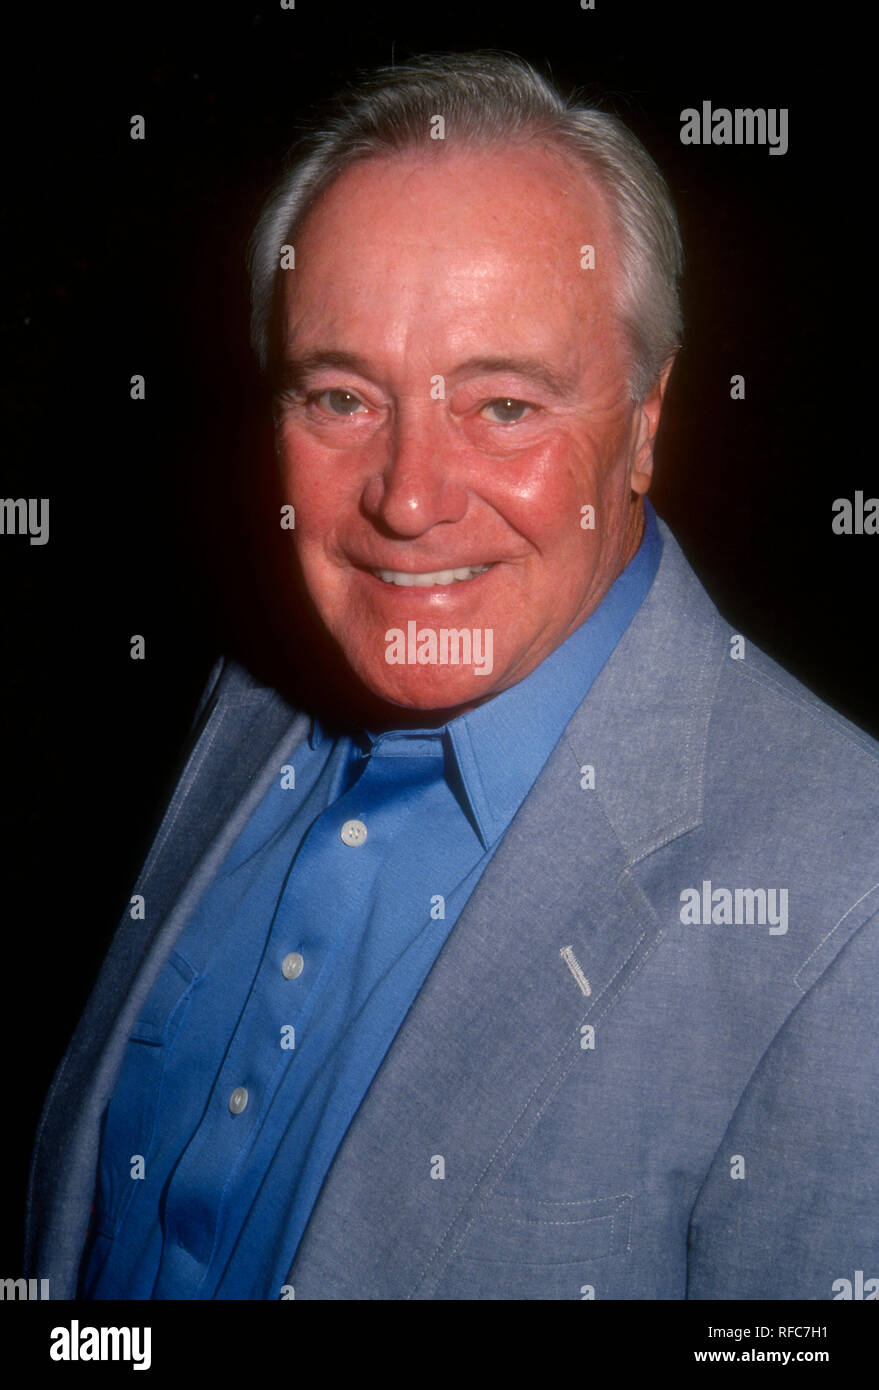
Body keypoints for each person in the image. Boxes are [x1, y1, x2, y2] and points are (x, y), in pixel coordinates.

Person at [26, 52, 879, 1301]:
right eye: (339, 395)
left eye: (504, 408)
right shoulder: (253, 687)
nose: (407, 500)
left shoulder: (848, 908)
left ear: (645, 423)